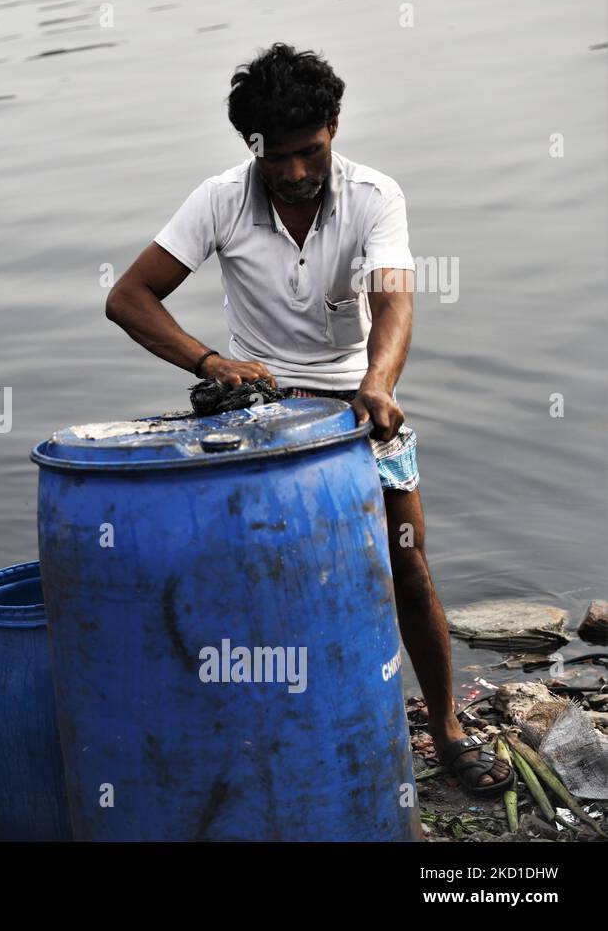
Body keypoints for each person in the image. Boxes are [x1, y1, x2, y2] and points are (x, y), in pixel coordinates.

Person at [104, 43, 511, 795]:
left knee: (409, 568)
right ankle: (281, 725)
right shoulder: (218, 199)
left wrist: (379, 384)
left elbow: (393, 298)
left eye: (309, 151)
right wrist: (209, 363)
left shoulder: (374, 195)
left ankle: (447, 725)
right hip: (260, 414)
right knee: (264, 581)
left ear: (334, 125)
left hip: (359, 405)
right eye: (276, 156)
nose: (294, 171)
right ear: (250, 146)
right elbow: (128, 297)